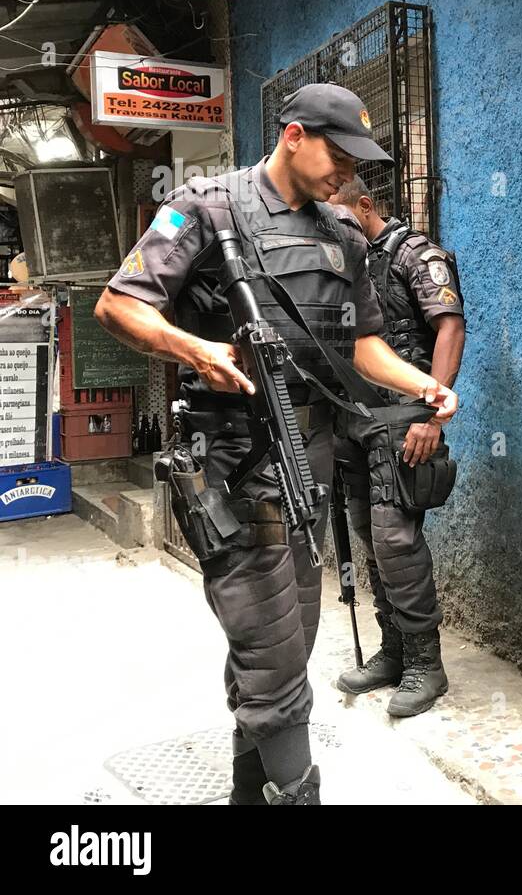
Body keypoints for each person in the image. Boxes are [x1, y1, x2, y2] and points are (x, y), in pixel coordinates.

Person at [94, 83, 459, 805]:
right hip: (231, 460)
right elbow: (118, 303)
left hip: (308, 459)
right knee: (274, 650)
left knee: (290, 628)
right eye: (338, 153)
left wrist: (424, 386)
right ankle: (297, 793)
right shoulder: (205, 205)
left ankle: (246, 791)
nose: (347, 173)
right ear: (293, 134)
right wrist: (194, 350)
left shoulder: (344, 234)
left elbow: (364, 346)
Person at [327, 178, 466, 716]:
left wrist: (433, 411)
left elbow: (450, 328)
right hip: (356, 422)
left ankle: (425, 666)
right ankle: (392, 652)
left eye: (340, 215)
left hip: (406, 422)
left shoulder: (417, 253)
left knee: (396, 542)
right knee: (367, 534)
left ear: (365, 206)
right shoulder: (347, 264)